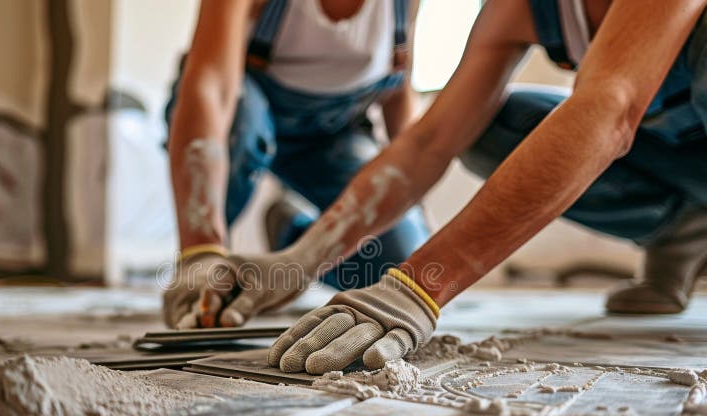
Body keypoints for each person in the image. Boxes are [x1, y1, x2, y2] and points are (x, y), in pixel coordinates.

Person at [180, 0, 707, 376]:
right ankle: (683, 233)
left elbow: (609, 108)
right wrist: (303, 256)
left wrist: (418, 288)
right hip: (685, 161)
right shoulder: (522, 9)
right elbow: (430, 141)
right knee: (497, 123)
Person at [163, 0, 430, 329]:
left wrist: (412, 201)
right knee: (239, 128)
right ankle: (214, 281)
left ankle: (289, 232)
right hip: (243, 114)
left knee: (397, 262)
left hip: (332, 137)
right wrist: (199, 251)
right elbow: (213, 87)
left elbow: (400, 89)